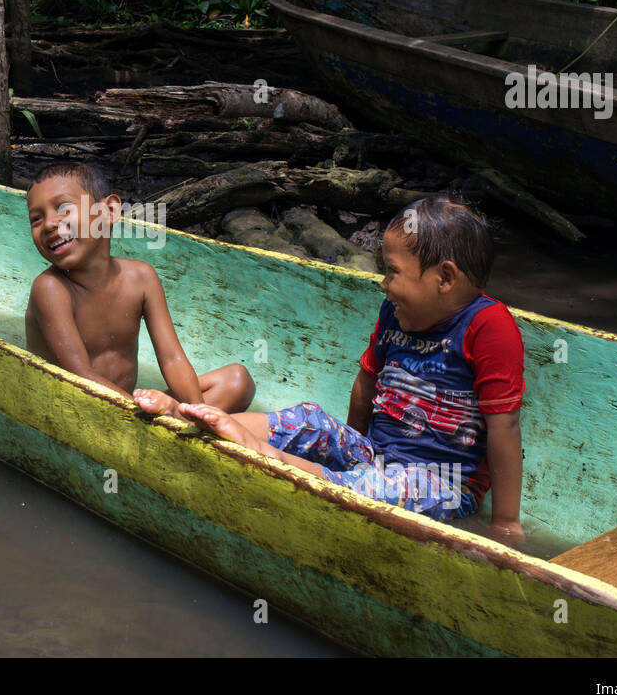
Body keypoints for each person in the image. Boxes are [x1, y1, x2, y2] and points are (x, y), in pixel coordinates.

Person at [177, 196, 525, 545]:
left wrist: (505, 523)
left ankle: (271, 457)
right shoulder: (395, 312)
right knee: (311, 421)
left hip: (440, 483)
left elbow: (504, 425)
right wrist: (350, 446)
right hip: (376, 457)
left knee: (388, 489)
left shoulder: (488, 326)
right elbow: (366, 385)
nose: (383, 284)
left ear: (445, 278)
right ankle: (197, 417)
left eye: (393, 272)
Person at [25, 162, 254, 414]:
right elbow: (81, 376)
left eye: (64, 208)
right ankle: (169, 425)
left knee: (237, 381)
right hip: (77, 408)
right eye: (36, 218)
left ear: (109, 211)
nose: (48, 224)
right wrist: (148, 413)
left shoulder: (142, 278)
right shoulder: (50, 288)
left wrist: (199, 413)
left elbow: (172, 359)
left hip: (132, 408)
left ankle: (182, 423)